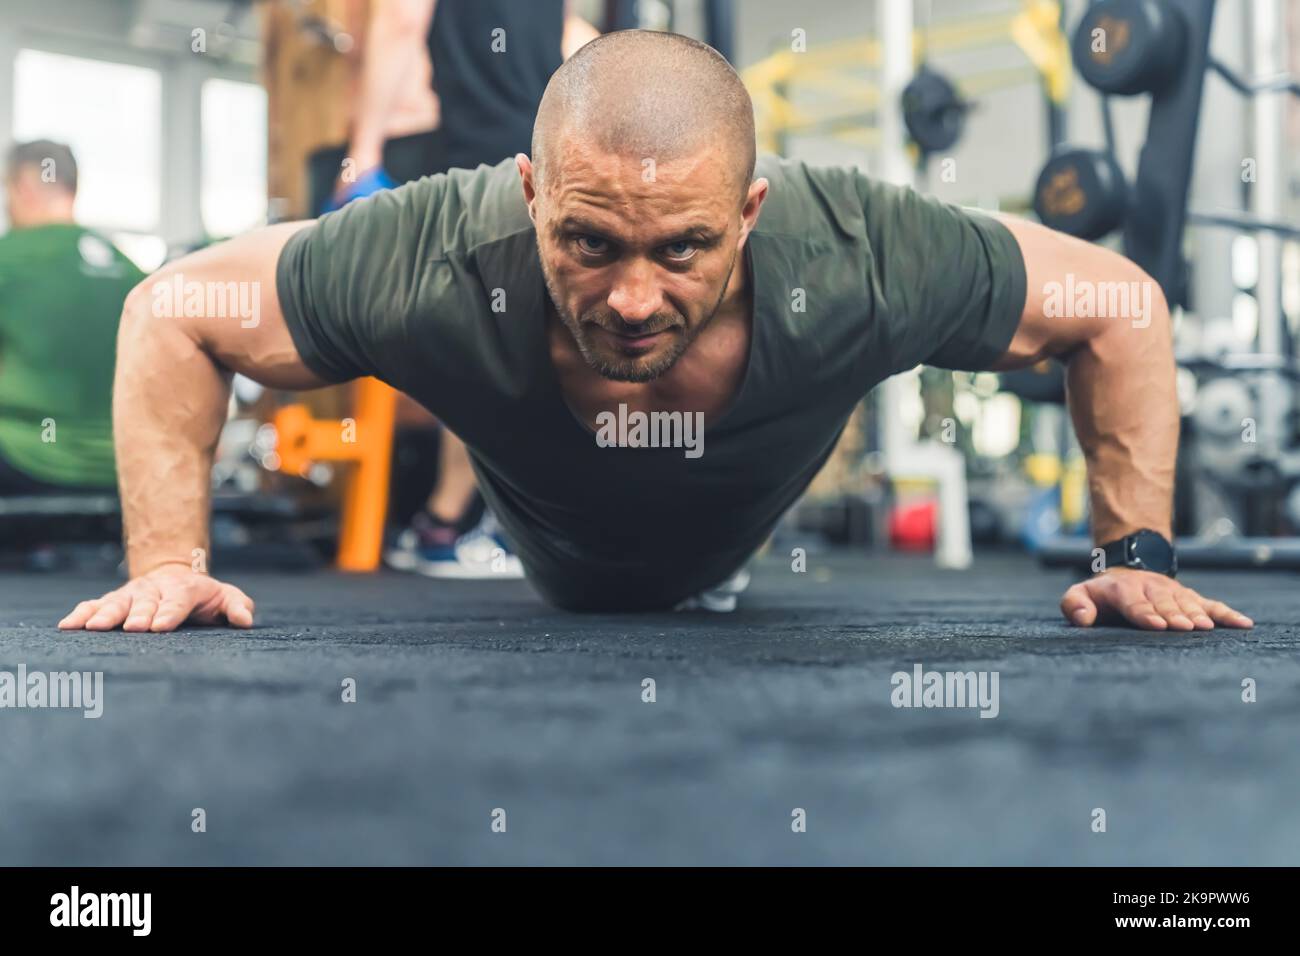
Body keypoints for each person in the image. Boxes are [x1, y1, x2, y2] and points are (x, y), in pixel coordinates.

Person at [61, 30, 1253, 632]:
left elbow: (1120, 304)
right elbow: (173, 310)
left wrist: (1131, 553)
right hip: (551, 572)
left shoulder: (856, 253)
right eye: (587, 242)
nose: (632, 297)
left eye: (680, 248)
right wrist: (168, 562)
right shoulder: (431, 253)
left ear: (750, 214)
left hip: (729, 565)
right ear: (530, 195)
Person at [327, 0, 599, 578]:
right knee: (512, 340)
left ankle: (451, 526)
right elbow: (581, 47)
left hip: (483, 156)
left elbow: (402, 21)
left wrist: (363, 158)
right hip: (531, 157)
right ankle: (453, 525)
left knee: (497, 340)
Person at [0, 140, 142, 495]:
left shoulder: (9, 258)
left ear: (24, 188)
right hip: (121, 470)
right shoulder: (129, 270)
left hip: (27, 463)